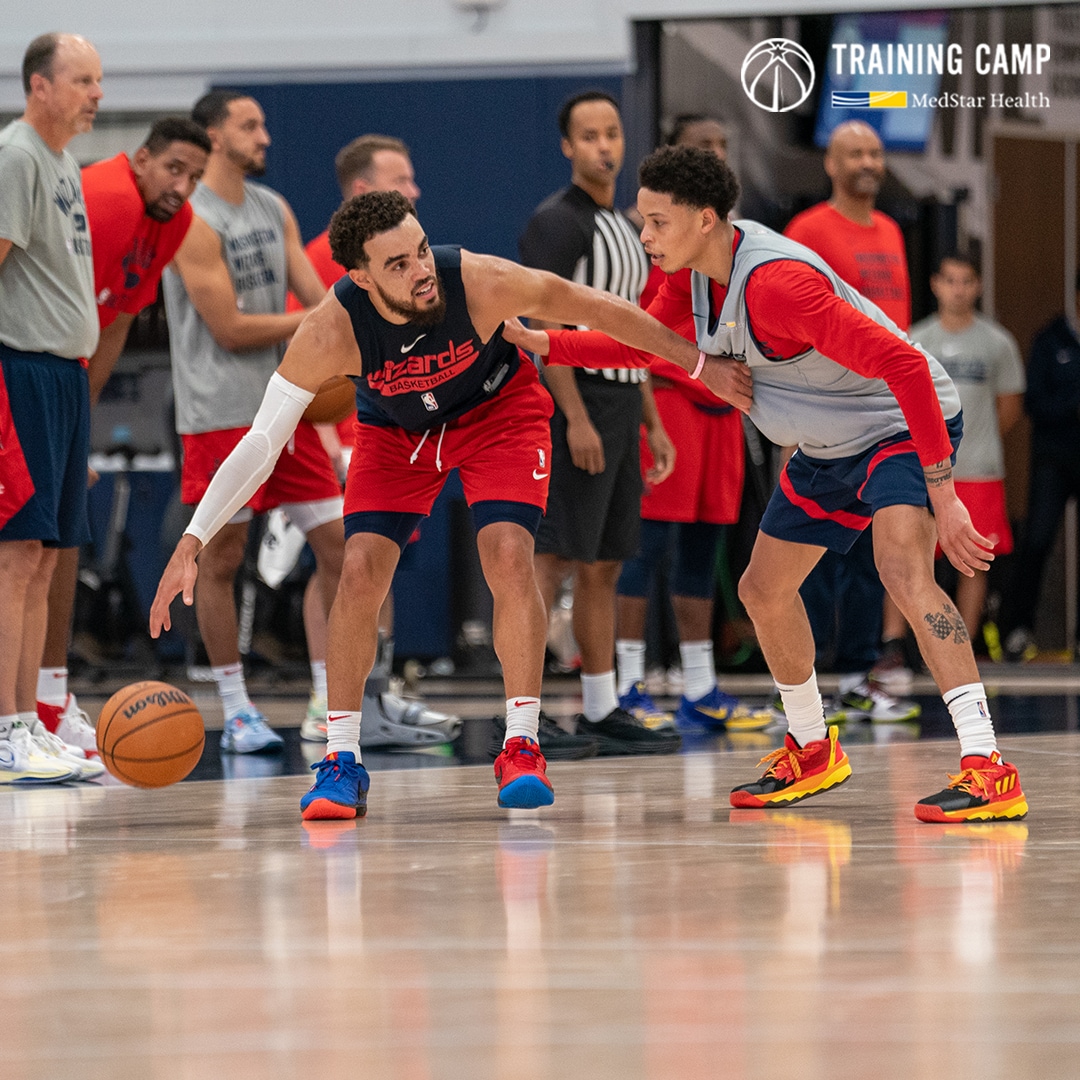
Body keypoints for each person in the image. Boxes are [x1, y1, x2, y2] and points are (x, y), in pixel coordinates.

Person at [149, 190, 717, 820]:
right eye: (397, 264)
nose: (420, 270)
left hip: (499, 416)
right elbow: (262, 440)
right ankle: (341, 760)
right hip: (398, 436)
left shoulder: (479, 281)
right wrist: (193, 539)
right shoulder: (330, 330)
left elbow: (598, 308)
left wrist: (696, 363)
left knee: (508, 555)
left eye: (421, 250)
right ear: (360, 277)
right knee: (359, 568)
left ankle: (522, 744)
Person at [506, 146, 1028, 823]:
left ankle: (987, 765)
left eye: (658, 223)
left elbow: (902, 364)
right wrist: (549, 345)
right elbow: (641, 340)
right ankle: (812, 747)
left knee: (901, 567)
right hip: (828, 442)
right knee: (761, 588)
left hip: (899, 423)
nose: (645, 238)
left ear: (705, 220)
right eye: (643, 222)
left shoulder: (780, 285)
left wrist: (945, 491)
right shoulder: (687, 279)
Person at [161, 90, 345, 754]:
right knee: (222, 560)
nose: (264, 135)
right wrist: (317, 324)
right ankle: (236, 710)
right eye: (248, 125)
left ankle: (330, 699)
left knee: (343, 547)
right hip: (220, 413)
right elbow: (231, 328)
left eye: (263, 123)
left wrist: (333, 326)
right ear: (214, 135)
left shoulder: (273, 207)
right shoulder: (192, 219)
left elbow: (320, 297)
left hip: (284, 407)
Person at [34, 116, 211, 760]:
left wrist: (79, 422)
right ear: (140, 159)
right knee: (28, 548)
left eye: (194, 177)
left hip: (64, 382)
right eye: (173, 170)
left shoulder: (176, 224)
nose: (183, 187)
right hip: (27, 372)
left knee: (63, 537)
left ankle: (49, 700)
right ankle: (25, 711)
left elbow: (113, 327)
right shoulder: (103, 201)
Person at [518, 89, 680, 756]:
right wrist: (574, 416)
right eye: (589, 136)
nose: (604, 147)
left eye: (612, 133)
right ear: (567, 146)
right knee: (551, 558)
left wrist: (653, 423)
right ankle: (522, 718)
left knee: (605, 564)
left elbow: (629, 334)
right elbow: (542, 325)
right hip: (571, 400)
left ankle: (599, 706)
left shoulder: (626, 226)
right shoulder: (557, 223)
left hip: (619, 402)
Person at [292, 133, 458, 750]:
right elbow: (313, 364)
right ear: (363, 190)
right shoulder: (319, 258)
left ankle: (373, 695)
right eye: (402, 179)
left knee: (375, 569)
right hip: (335, 436)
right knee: (340, 562)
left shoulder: (419, 263)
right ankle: (323, 698)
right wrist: (337, 441)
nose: (415, 190)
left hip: (395, 435)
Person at [614, 113, 768, 735]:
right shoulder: (644, 236)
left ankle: (700, 686)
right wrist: (647, 414)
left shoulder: (731, 240)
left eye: (724, 145)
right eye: (706, 146)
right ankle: (625, 681)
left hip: (723, 405)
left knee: (705, 547)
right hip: (672, 400)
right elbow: (633, 330)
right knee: (645, 548)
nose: (719, 154)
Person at [783, 120, 921, 721]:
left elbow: (899, 325)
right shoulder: (808, 230)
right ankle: (808, 682)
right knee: (812, 550)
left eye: (875, 152)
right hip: (826, 407)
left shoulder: (890, 229)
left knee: (873, 551)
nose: (868, 161)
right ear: (831, 166)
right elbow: (785, 312)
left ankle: (862, 675)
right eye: (854, 153)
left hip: (887, 411)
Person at [0, 32, 104, 784]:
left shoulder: (64, 161)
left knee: (41, 559)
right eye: (82, 80)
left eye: (98, 81)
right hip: (21, 371)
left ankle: (29, 722)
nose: (96, 94)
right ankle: (5, 731)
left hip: (63, 375)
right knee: (15, 557)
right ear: (40, 85)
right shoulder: (17, 156)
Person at [909, 253, 1024, 651]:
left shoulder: (997, 342)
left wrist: (971, 441)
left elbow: (1008, 408)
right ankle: (905, 645)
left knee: (974, 562)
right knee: (912, 557)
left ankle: (964, 646)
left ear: (977, 286)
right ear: (935, 284)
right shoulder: (915, 339)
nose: (958, 290)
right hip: (922, 469)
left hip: (979, 469)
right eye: (951, 281)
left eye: (967, 281)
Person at [1000, 275, 1080, 662]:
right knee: (1037, 540)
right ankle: (1016, 628)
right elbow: (1033, 401)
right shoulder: (1052, 340)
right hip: (1054, 458)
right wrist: (1072, 405)